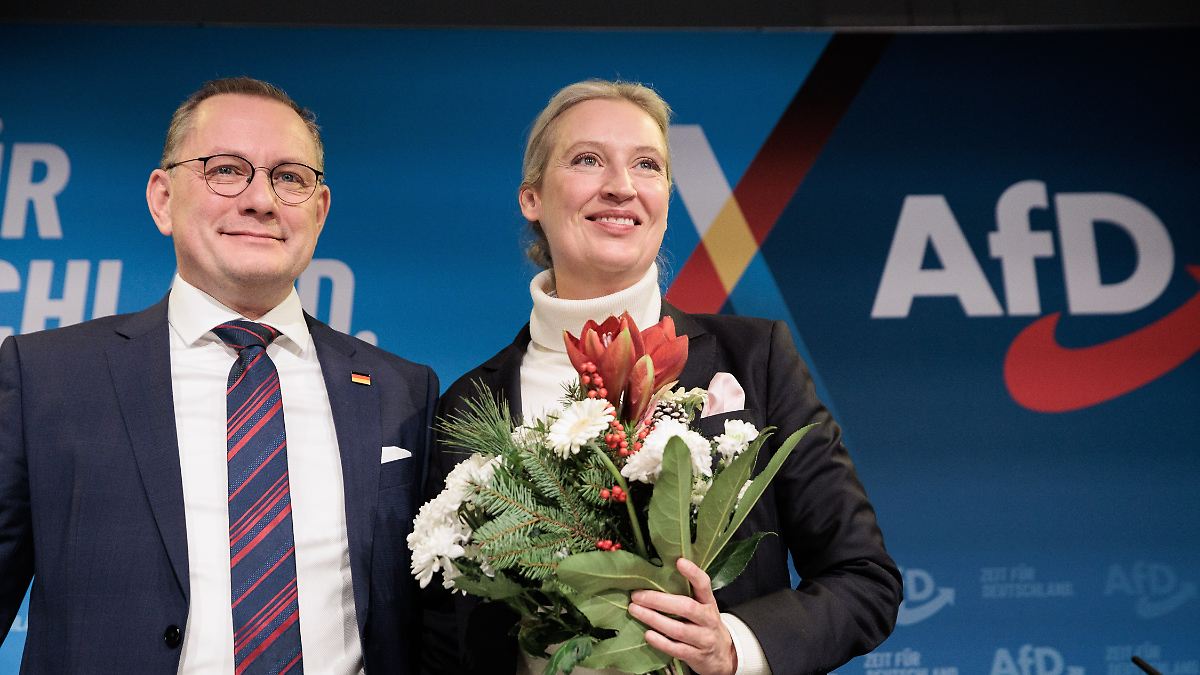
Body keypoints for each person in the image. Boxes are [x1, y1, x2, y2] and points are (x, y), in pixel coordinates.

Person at [422, 80, 902, 675]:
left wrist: (732, 647)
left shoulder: (756, 359)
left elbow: (865, 581)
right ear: (532, 198)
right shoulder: (469, 403)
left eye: (646, 165)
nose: (620, 185)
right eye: (588, 159)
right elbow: (442, 633)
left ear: (667, 200)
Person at [0, 77, 437, 673]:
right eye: (226, 170)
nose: (261, 200)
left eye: (289, 177)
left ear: (320, 209)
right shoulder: (46, 377)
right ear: (161, 199)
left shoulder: (402, 392)